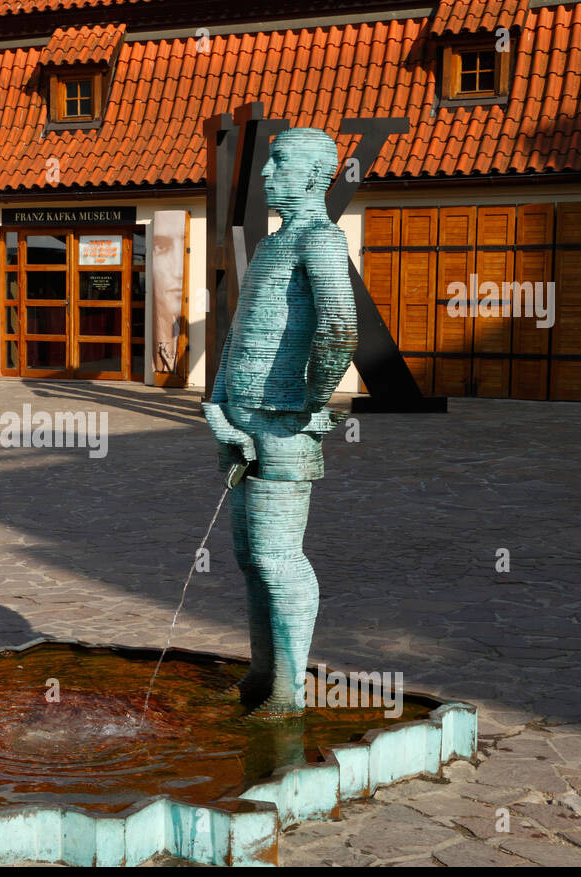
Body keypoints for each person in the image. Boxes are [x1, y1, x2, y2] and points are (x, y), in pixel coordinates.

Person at [203, 127, 357, 714]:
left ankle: (288, 693)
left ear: (317, 175)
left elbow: (340, 327)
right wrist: (216, 404)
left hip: (282, 423)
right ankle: (262, 674)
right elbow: (237, 338)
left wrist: (310, 401)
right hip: (242, 416)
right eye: (268, 162)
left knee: (277, 557)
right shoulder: (270, 246)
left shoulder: (320, 239)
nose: (266, 174)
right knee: (248, 558)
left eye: (281, 163)